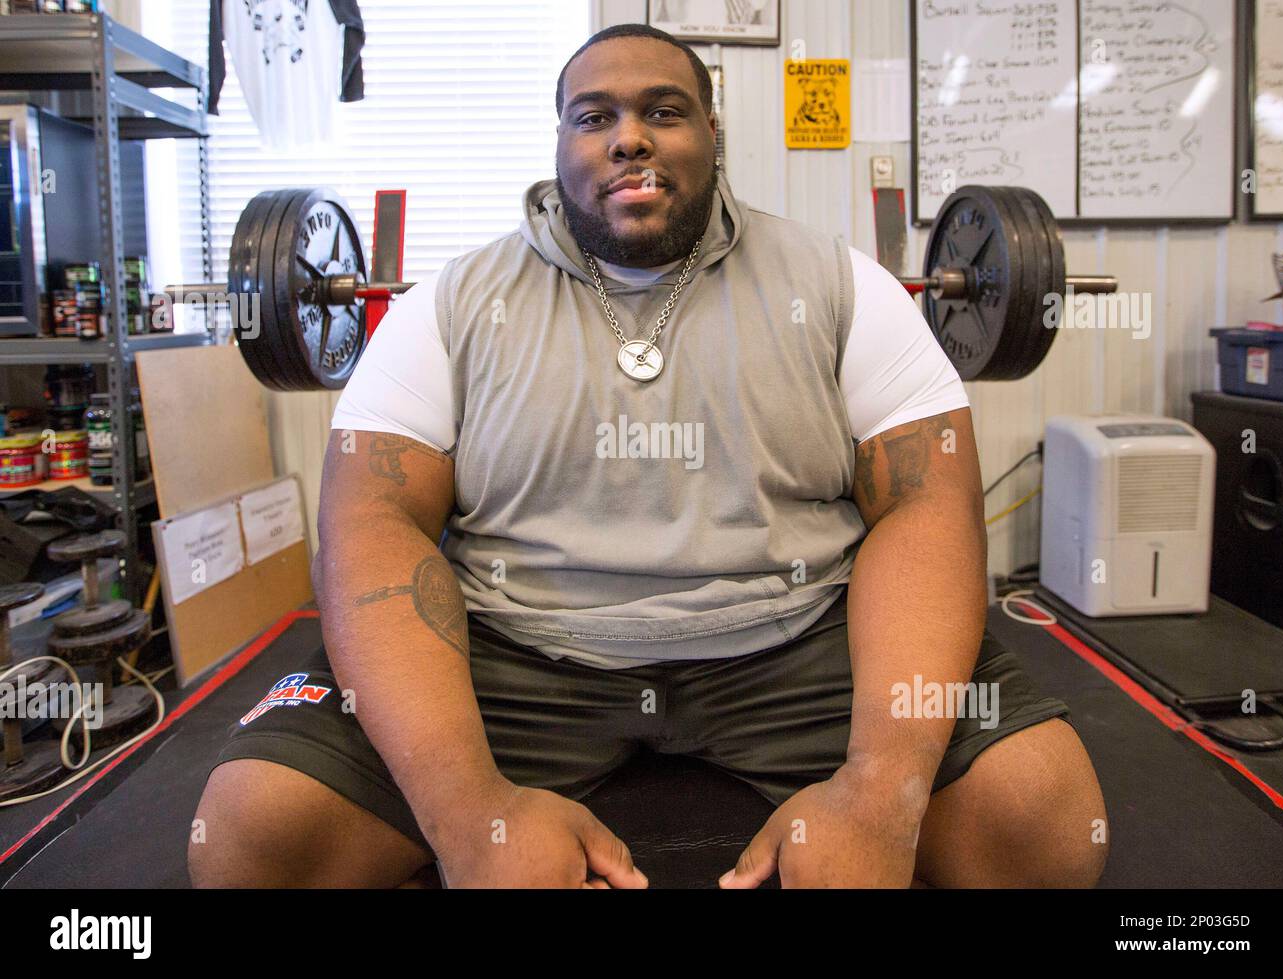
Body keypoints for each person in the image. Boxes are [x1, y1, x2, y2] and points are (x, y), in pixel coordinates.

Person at [189, 23, 1108, 889]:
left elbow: (929, 507)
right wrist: (470, 816)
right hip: (515, 647)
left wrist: (881, 791)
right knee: (251, 839)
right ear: (559, 141)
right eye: (595, 117)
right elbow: (369, 524)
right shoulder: (455, 303)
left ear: (712, 130)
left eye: (664, 111)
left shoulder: (838, 285)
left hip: (796, 639)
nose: (630, 137)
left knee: (1048, 828)